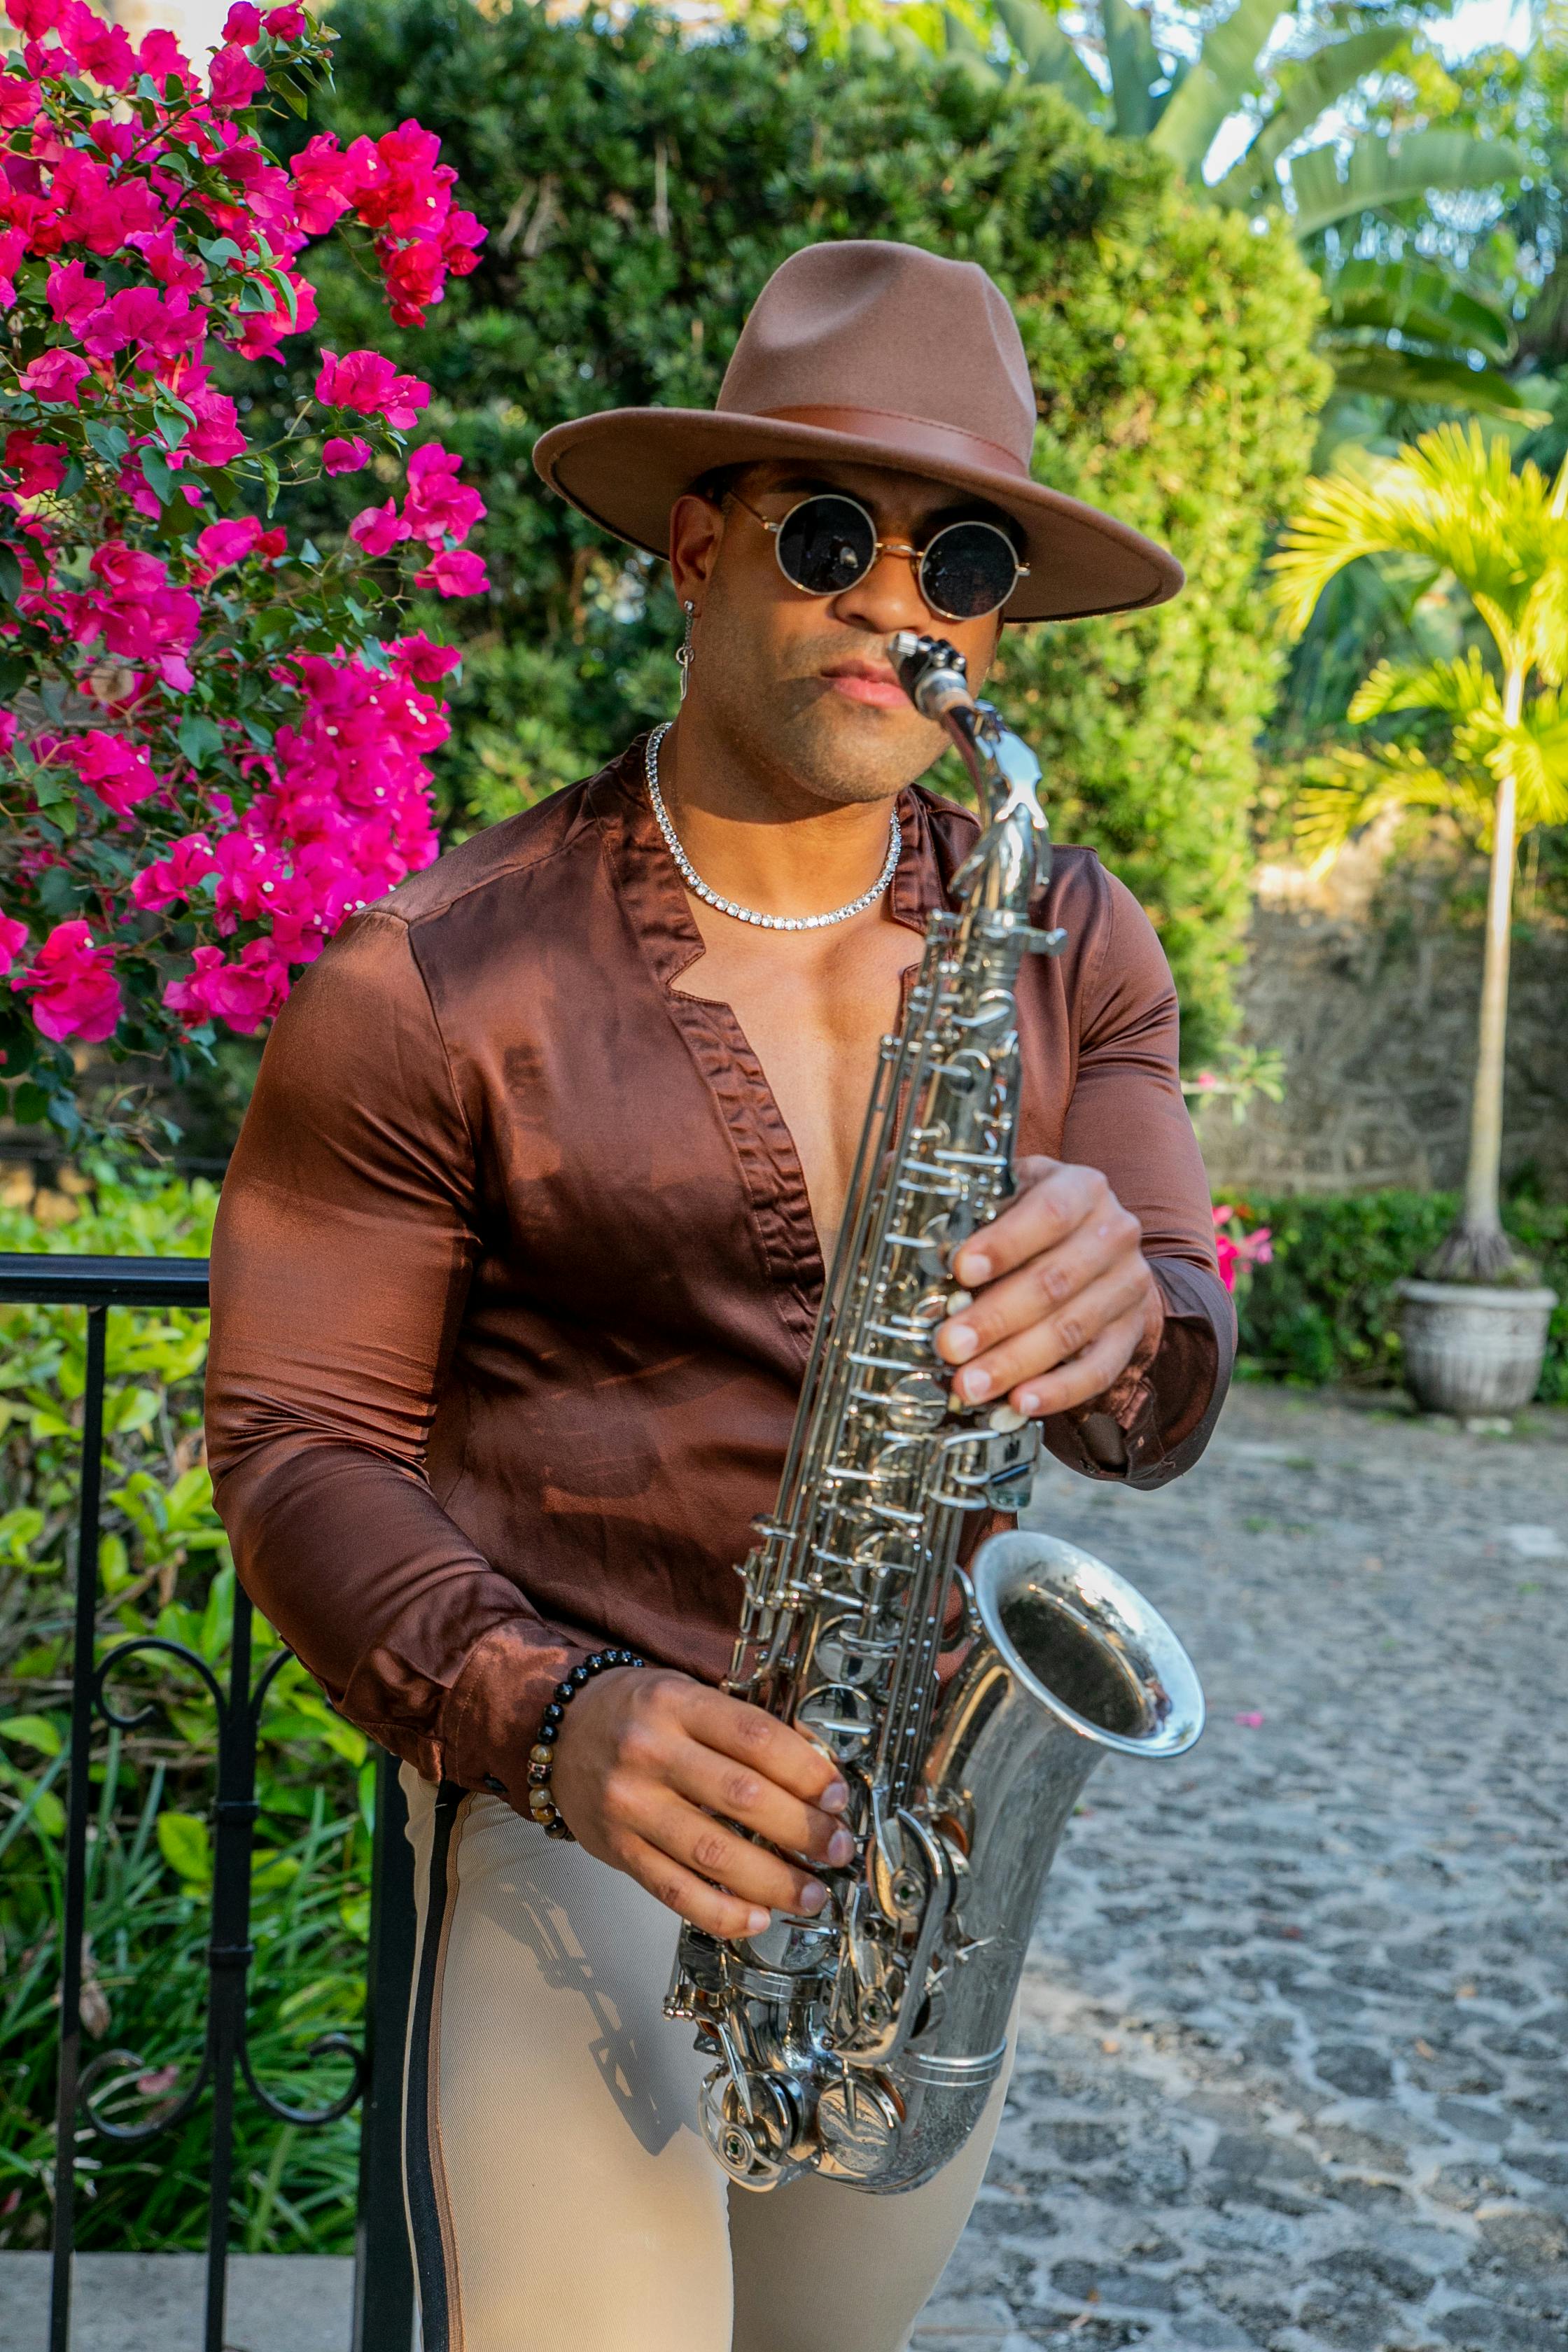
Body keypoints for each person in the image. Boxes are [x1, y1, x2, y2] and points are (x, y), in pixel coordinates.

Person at [206, 239, 1234, 2352]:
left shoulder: (1069, 936)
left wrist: (1131, 1305)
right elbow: (298, 1444)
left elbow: (1170, 1364)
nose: (897, 604)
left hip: (904, 1855)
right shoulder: (428, 981)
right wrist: (558, 1726)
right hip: (578, 1797)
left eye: (959, 561)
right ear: (698, 547)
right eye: (832, 532)